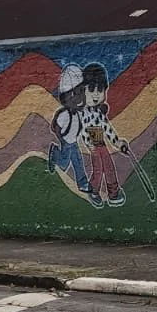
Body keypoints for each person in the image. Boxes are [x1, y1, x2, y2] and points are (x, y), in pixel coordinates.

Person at [78, 63, 130, 207]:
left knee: (109, 166)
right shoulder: (83, 112)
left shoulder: (99, 113)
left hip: (100, 141)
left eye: (100, 90)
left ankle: (113, 193)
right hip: (93, 142)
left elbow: (107, 128)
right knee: (98, 168)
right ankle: (93, 190)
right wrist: (89, 143)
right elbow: (82, 129)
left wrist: (118, 143)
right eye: (92, 89)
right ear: (83, 90)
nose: (96, 94)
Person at [47, 65, 99, 205]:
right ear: (66, 98)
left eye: (81, 91)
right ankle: (55, 153)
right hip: (66, 142)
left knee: (78, 162)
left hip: (73, 142)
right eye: (75, 94)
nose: (80, 97)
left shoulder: (80, 113)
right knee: (64, 164)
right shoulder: (64, 114)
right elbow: (55, 126)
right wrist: (62, 140)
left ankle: (82, 183)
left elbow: (86, 124)